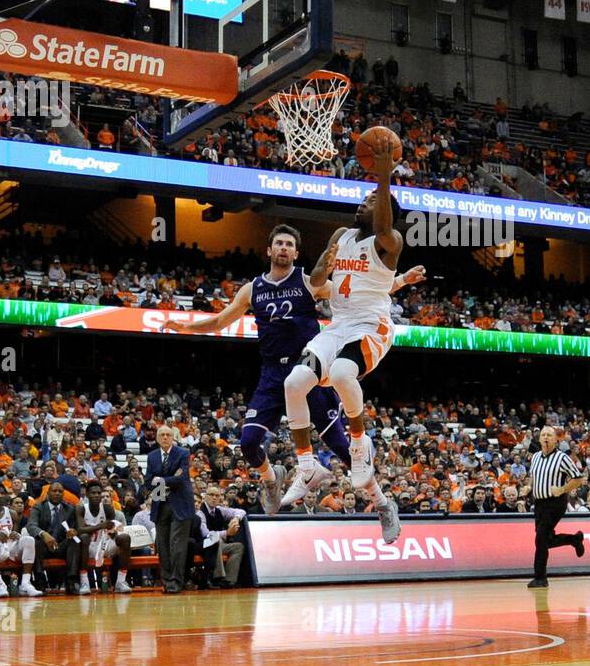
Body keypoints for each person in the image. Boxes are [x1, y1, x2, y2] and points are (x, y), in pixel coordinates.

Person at [169, 225, 421, 512]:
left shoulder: (307, 281)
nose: (284, 248)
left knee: (342, 446)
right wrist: (184, 326)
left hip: (308, 365)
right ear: (269, 249)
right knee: (249, 443)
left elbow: (357, 291)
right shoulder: (252, 289)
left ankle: (382, 504)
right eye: (279, 243)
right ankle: (271, 478)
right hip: (272, 373)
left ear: (296, 252)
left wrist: (400, 280)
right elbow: (218, 322)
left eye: (289, 244)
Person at [283, 136, 408, 544]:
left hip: (372, 325)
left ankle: (359, 445)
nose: (363, 202)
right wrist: (325, 262)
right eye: (366, 197)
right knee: (294, 383)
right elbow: (317, 281)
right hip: (338, 324)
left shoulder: (388, 242)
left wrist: (385, 177)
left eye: (372, 200)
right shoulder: (341, 234)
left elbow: (386, 222)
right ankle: (306, 466)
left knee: (340, 373)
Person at [526, 426, 586, 588]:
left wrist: (562, 489)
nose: (545, 437)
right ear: (539, 439)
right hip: (538, 503)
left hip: (555, 503)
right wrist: (528, 487)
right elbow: (533, 476)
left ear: (555, 440)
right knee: (545, 540)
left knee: (540, 539)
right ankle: (574, 539)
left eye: (549, 435)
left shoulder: (562, 458)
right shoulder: (536, 457)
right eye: (543, 435)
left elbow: (578, 479)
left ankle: (540, 578)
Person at [148, 425, 192, 593]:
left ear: (173, 437)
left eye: (168, 434)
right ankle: (166, 582)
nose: (165, 437)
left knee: (177, 546)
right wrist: (166, 480)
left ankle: (176, 582)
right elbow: (148, 480)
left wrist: (160, 480)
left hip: (180, 503)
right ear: (158, 438)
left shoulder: (183, 453)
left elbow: (181, 478)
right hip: (160, 502)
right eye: (162, 435)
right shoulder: (152, 456)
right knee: (163, 546)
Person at [26, 481, 84, 594]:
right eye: (54, 491)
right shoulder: (38, 507)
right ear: (48, 493)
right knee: (36, 541)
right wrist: (43, 534)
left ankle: (71, 581)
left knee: (75, 541)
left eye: (60, 491)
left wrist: (74, 531)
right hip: (44, 546)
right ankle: (40, 580)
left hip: (62, 545)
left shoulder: (70, 509)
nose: (57, 493)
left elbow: (78, 528)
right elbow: (31, 525)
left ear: (63, 494)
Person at [0, 483, 41, 597]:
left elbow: (13, 534)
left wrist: (15, 534)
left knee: (28, 539)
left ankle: (25, 584)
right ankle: (0, 584)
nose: (0, 496)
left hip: (9, 548)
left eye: (2, 493)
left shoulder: (12, 513)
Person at [77, 479, 132, 594]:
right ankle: (84, 582)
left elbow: (111, 529)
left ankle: (120, 582)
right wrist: (101, 525)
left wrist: (113, 531)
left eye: (98, 493)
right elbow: (80, 529)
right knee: (84, 537)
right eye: (93, 493)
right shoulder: (81, 508)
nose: (97, 495)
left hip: (105, 544)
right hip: (90, 547)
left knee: (125, 538)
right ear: (87, 494)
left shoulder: (107, 508)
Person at [198, 485, 248, 587]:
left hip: (219, 544)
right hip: (204, 545)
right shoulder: (200, 513)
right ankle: (217, 577)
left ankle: (229, 580)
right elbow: (206, 534)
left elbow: (241, 511)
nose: (214, 498)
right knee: (217, 540)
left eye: (217, 495)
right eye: (211, 495)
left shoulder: (220, 510)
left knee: (238, 546)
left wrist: (236, 519)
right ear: (205, 497)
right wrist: (227, 533)